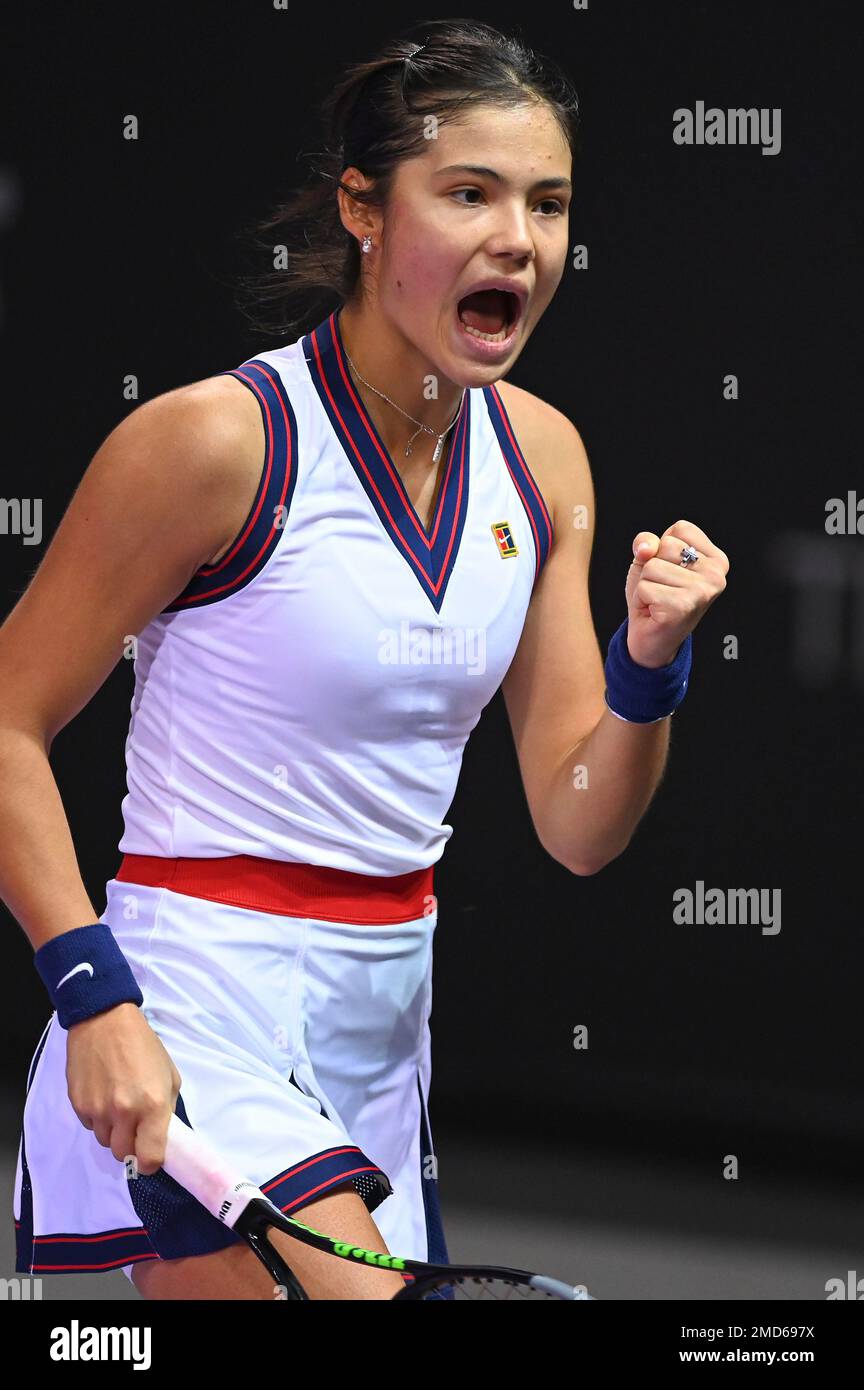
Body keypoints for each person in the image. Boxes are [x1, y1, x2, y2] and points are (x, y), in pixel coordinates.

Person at [3, 19, 727, 1301]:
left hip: (385, 1030)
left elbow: (580, 825)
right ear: (363, 211)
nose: (520, 236)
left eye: (547, 203)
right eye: (469, 192)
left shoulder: (544, 459)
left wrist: (648, 667)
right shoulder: (217, 444)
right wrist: (91, 995)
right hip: (189, 998)